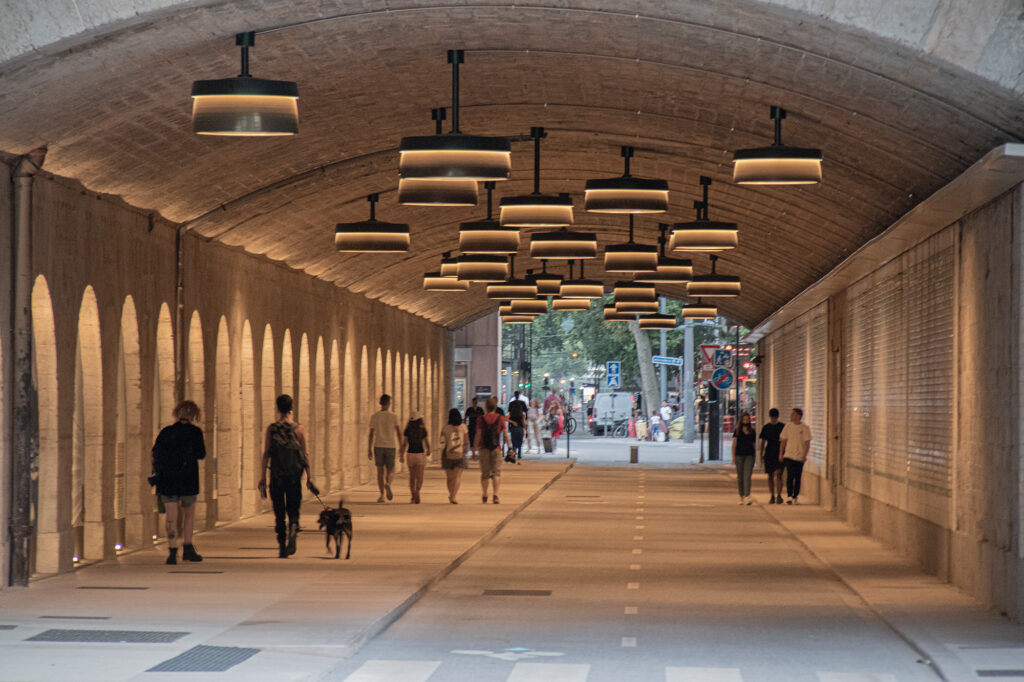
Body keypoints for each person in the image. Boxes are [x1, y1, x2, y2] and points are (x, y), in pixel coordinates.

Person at [258, 394, 317, 558]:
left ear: (278, 408)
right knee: (293, 507)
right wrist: (309, 477)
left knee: (279, 511)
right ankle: (294, 524)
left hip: (276, 475)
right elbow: (305, 454)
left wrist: (263, 476)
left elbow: (266, 454)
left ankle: (282, 544)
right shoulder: (299, 429)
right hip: (294, 475)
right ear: (292, 407)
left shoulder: (272, 429)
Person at [151, 400, 206, 565]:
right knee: (189, 514)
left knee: (171, 516)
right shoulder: (195, 432)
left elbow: (156, 452)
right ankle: (188, 547)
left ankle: (172, 550)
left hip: (168, 480)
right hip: (188, 479)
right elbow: (201, 454)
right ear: (194, 415)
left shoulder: (166, 432)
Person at [368, 394, 403, 503]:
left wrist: (369, 449)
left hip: (378, 445)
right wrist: (401, 447)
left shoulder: (375, 416)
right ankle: (388, 483)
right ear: (388, 403)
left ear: (380, 403)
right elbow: (398, 433)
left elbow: (371, 434)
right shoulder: (393, 416)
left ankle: (382, 495)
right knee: (391, 470)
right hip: (390, 446)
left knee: (380, 471)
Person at [475, 397, 511, 504]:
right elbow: (505, 434)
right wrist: (509, 447)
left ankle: (485, 494)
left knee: (485, 473)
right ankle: (495, 495)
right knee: (496, 472)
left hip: (483, 448)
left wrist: (474, 448)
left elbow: (478, 434)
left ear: (486, 407)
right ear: (495, 407)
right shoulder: (500, 418)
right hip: (496, 448)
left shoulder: (481, 419)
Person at [780, 407, 812, 504]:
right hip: (789, 455)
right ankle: (789, 495)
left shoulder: (805, 428)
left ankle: (795, 496)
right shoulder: (788, 427)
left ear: (798, 416)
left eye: (793, 414)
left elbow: (807, 443)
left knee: (797, 477)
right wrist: (781, 453)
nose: (791, 416)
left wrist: (805, 455)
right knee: (789, 476)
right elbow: (783, 441)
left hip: (799, 456)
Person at [400, 409, 431, 504]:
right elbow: (426, 442)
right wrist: (429, 450)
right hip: (420, 454)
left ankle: (413, 496)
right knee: (420, 477)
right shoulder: (423, 429)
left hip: (410, 454)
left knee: (412, 477)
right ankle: (417, 491)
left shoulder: (408, 429)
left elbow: (404, 443)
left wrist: (401, 454)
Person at [440, 408, 469, 503]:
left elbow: (442, 441)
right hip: (459, 454)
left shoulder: (445, 428)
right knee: (458, 476)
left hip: (448, 454)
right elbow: (466, 442)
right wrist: (465, 450)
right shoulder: (463, 427)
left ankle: (450, 494)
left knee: (449, 477)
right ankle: (453, 496)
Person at [759, 408, 786, 504]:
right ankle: (772, 495)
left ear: (777, 417)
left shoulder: (782, 427)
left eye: (775, 417)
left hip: (779, 452)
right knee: (770, 475)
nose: (773, 419)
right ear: (770, 417)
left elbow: (785, 440)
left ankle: (779, 494)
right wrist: (761, 454)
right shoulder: (766, 428)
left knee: (779, 474)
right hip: (769, 453)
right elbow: (763, 442)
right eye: (772, 417)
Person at [732, 412, 757, 505]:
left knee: (747, 477)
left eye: (747, 420)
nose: (746, 421)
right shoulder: (737, 431)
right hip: (739, 455)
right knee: (740, 477)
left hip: (749, 455)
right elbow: (734, 444)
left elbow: (754, 444)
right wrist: (733, 456)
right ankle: (741, 496)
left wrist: (755, 456)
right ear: (741, 420)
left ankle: (747, 496)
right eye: (744, 420)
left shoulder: (752, 431)